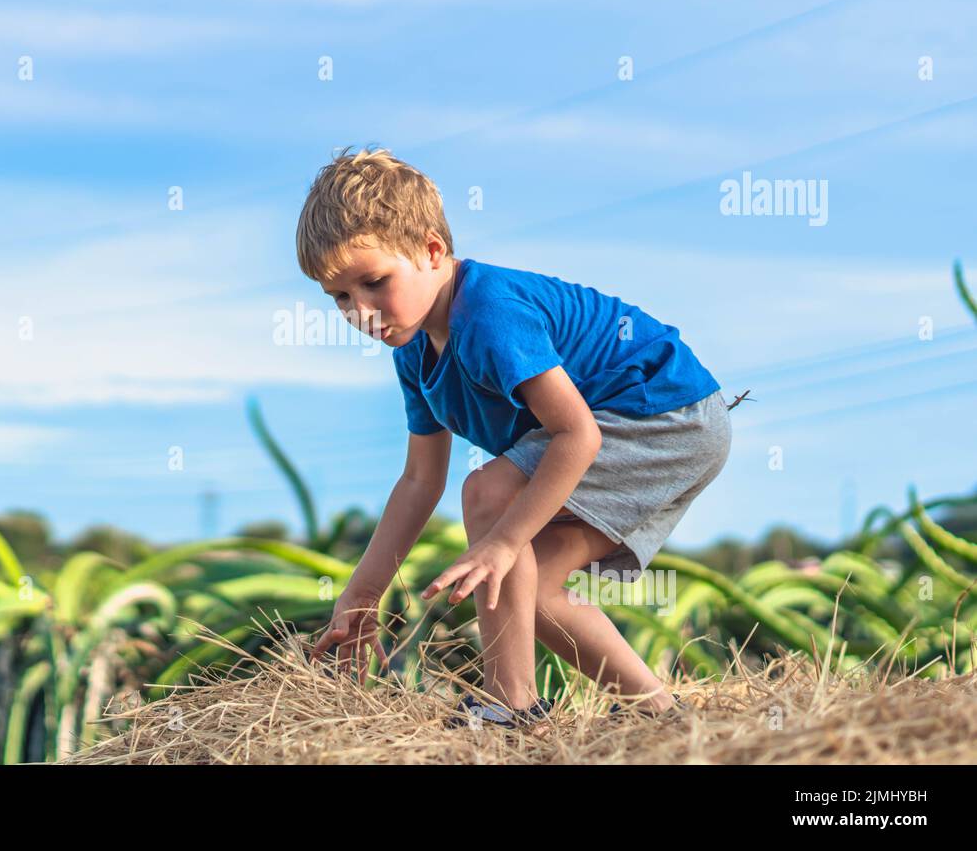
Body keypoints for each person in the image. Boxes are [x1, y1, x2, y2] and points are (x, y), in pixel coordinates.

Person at [302, 145, 732, 728]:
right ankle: (665, 718)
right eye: (341, 298)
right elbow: (419, 480)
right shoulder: (413, 353)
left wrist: (503, 542)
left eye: (374, 282)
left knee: (488, 497)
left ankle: (510, 708)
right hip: (662, 422)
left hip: (665, 413)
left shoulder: (488, 315)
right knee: (536, 588)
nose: (361, 312)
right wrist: (362, 594)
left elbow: (577, 434)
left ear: (432, 251)